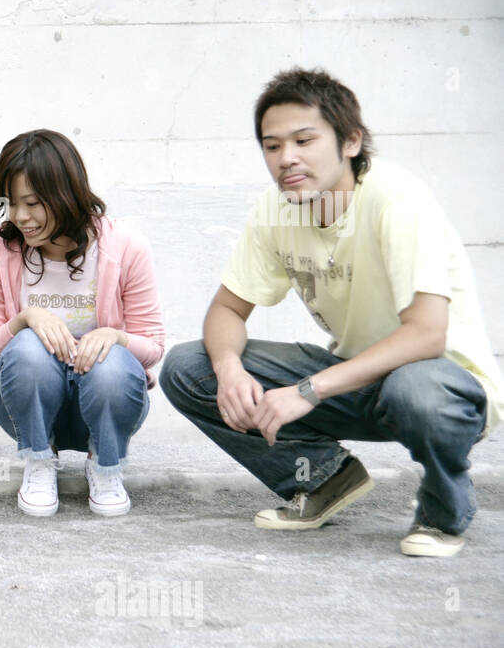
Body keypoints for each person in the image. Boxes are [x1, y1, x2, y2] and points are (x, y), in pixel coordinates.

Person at [160, 67, 503, 557]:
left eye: (304, 140)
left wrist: (307, 390)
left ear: (350, 142)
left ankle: (443, 509)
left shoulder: (394, 199)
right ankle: (322, 480)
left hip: (442, 386)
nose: (286, 158)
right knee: (190, 368)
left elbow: (427, 334)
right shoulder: (277, 210)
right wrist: (230, 369)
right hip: (356, 380)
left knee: (415, 388)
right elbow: (226, 311)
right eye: (272, 145)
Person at [0, 129, 165, 517]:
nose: (20, 217)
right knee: (28, 346)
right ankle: (38, 460)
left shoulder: (126, 246)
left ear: (67, 194)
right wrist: (23, 320)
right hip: (26, 406)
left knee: (112, 360)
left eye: (32, 203)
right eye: (12, 203)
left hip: (103, 404)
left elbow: (153, 348)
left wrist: (114, 336)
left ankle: (106, 465)